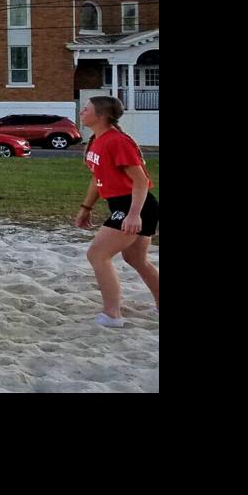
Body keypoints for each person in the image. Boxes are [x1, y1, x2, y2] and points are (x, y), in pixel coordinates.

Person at [75, 96, 159, 327]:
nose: (82, 112)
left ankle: (112, 315)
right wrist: (86, 208)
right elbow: (97, 178)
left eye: (86, 109)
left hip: (134, 205)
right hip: (127, 205)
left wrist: (134, 215)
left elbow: (141, 181)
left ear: (101, 116)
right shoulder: (96, 140)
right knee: (136, 259)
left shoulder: (117, 141)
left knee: (97, 254)